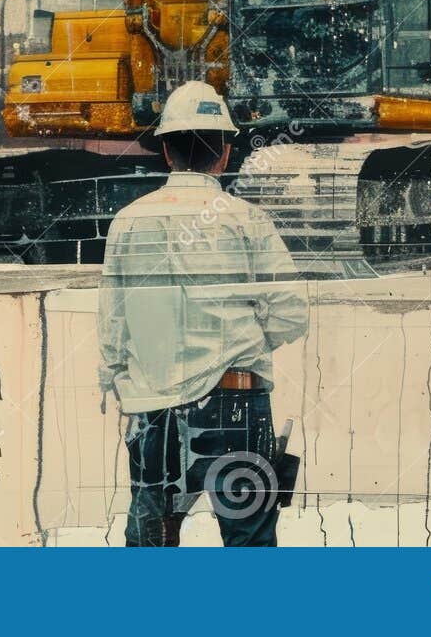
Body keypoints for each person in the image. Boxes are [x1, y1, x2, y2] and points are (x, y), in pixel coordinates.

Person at [97, 81, 310, 546]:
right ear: (225, 153)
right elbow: (292, 312)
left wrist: (124, 378)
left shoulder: (128, 221)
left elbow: (113, 326)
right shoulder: (247, 220)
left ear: (167, 153)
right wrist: (245, 337)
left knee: (151, 541)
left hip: (154, 409)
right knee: (249, 541)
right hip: (236, 403)